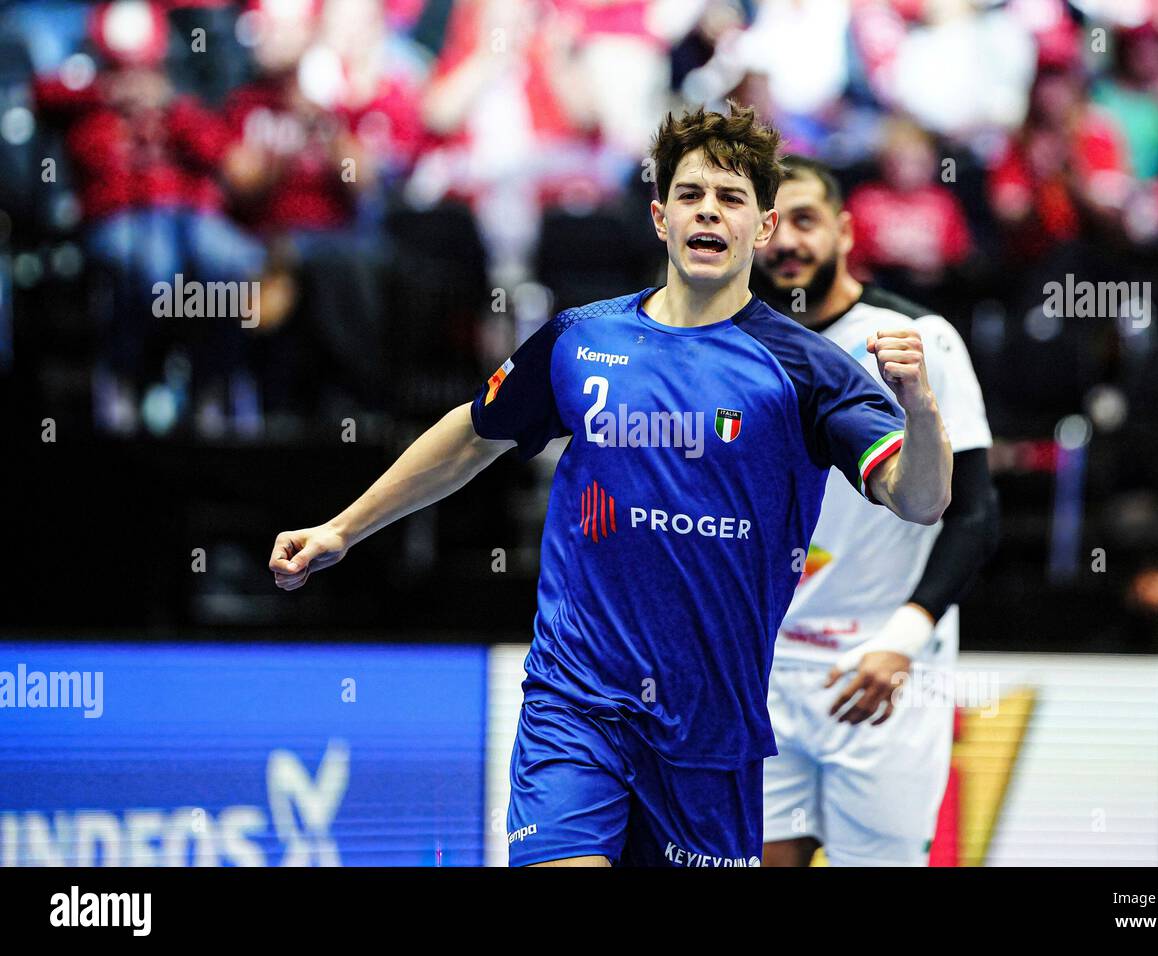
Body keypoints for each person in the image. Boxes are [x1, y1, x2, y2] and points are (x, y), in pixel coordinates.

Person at [269, 104, 952, 867]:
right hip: (577, 701)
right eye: (691, 195)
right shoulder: (582, 339)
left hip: (709, 732)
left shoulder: (808, 371)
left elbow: (920, 499)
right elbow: (473, 432)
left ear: (761, 229)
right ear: (660, 217)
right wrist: (342, 528)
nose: (708, 212)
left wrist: (920, 409)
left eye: (731, 199)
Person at [751, 155, 997, 867]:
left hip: (883, 666)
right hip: (765, 670)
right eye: (771, 224)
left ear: (846, 229)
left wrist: (905, 638)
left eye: (806, 220)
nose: (788, 242)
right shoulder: (733, 344)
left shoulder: (920, 340)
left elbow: (976, 515)